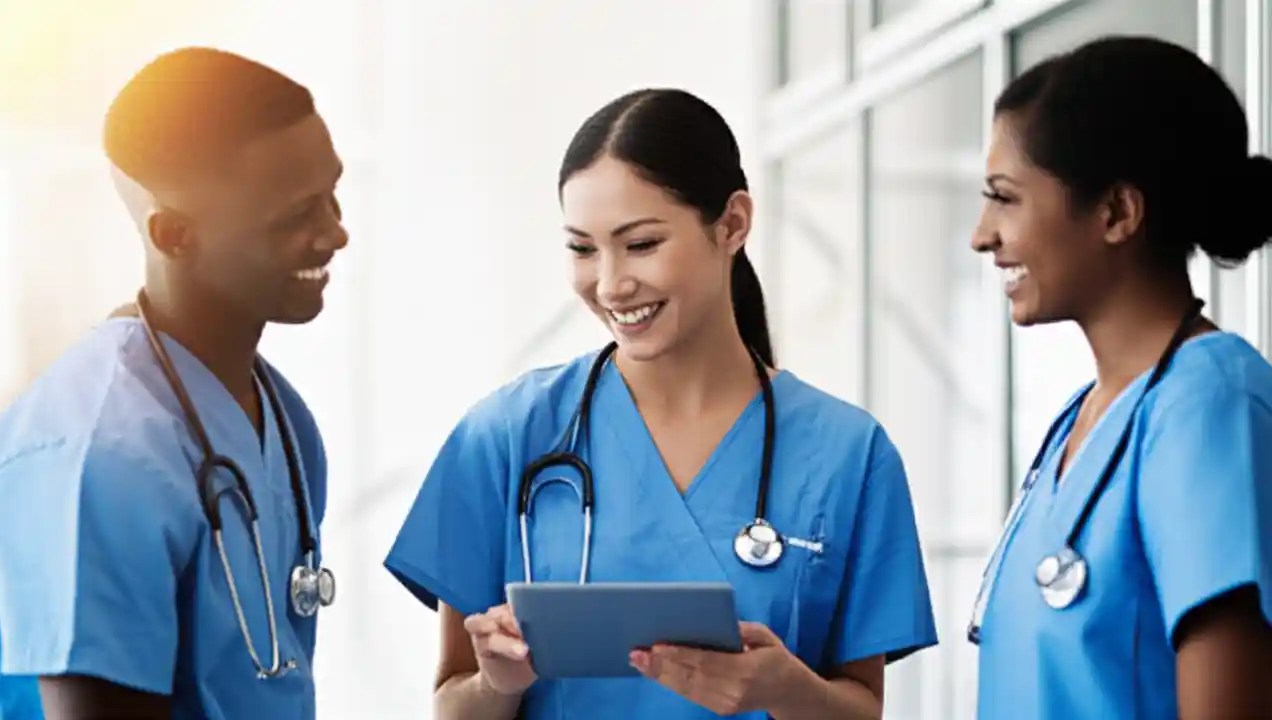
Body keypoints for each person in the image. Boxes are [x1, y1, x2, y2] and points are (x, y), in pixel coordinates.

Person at [384, 88, 937, 720]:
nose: (611, 284)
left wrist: (782, 689)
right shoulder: (505, 436)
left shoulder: (848, 455)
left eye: (641, 244)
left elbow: (863, 709)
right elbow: (452, 706)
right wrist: (498, 683)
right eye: (583, 248)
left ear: (731, 224)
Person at [0, 47, 347, 719]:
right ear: (174, 234)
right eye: (297, 215)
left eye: (333, 193)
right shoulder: (96, 455)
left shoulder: (281, 419)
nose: (337, 232)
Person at [969, 35, 1272, 718]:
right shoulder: (1085, 421)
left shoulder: (1209, 404)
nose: (981, 235)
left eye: (1004, 198)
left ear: (1116, 213)